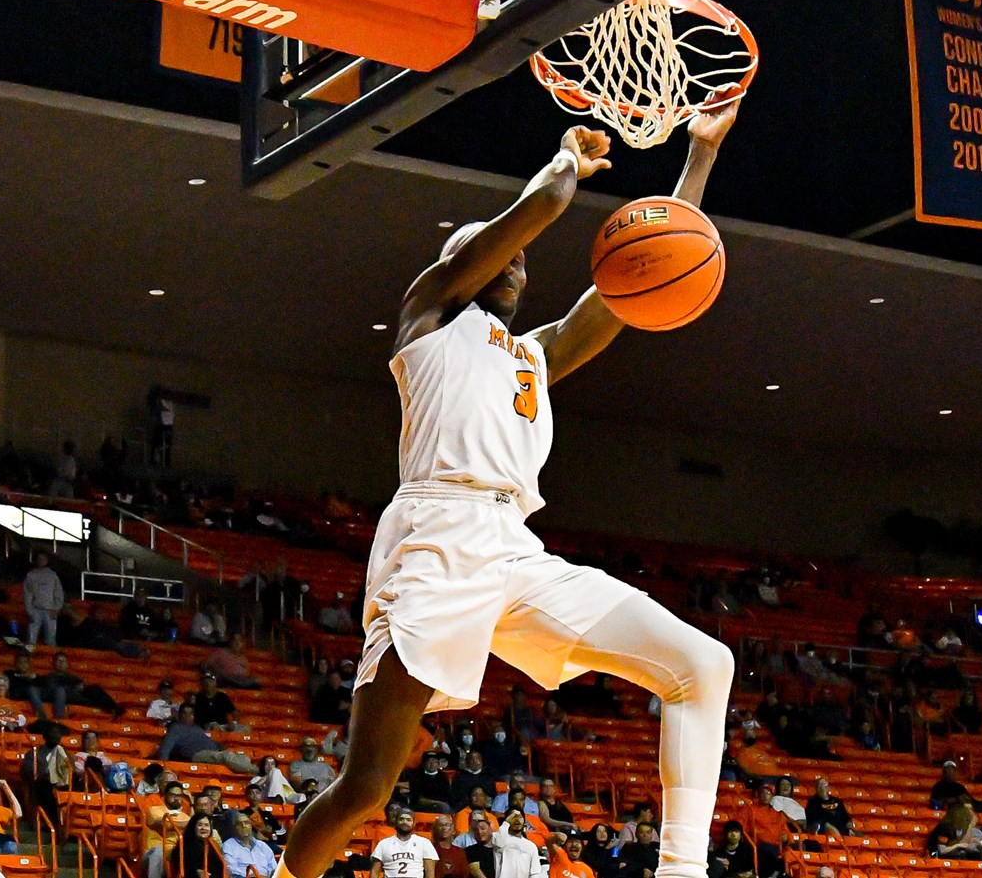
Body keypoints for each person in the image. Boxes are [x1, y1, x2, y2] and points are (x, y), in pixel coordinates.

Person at [272, 109, 743, 878]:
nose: (517, 260)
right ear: (459, 262)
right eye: (499, 249)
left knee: (703, 663)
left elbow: (641, 278)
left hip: (514, 548)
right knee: (366, 786)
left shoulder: (532, 355)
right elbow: (537, 210)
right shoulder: (427, 316)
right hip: (435, 536)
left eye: (523, 259)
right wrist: (561, 163)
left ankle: (681, 870)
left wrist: (698, 156)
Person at [154, 704, 258, 774]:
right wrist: (164, 768)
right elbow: (166, 747)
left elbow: (206, 741)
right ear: (180, 715)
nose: (188, 716)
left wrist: (218, 745)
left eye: (191, 713)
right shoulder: (176, 728)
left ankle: (252, 772)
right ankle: (257, 771)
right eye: (184, 713)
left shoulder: (197, 727)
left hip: (213, 751)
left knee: (244, 757)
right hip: (197, 754)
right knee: (226, 756)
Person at [372, 808, 438, 878]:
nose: (404, 822)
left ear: (414, 823)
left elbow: (429, 871)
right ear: (396, 822)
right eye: (401, 819)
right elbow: (374, 871)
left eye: (408, 820)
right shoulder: (383, 844)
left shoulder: (424, 843)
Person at [145, 782, 192, 878]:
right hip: (153, 851)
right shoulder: (154, 810)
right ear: (165, 796)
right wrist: (188, 824)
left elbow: (194, 826)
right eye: (173, 794)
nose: (176, 798)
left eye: (179, 795)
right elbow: (165, 825)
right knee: (158, 851)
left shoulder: (185, 816)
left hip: (175, 851)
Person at [23, 553, 64, 648]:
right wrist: (29, 611)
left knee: (51, 638)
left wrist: (57, 608)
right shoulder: (31, 575)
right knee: (31, 638)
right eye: (39, 558)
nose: (41, 561)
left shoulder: (53, 576)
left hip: (50, 610)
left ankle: (50, 657)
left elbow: (58, 592)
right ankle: (28, 656)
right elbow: (27, 594)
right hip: (35, 609)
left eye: (43, 559)